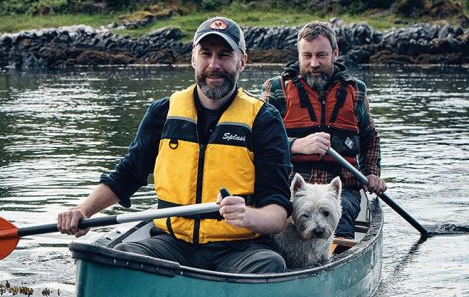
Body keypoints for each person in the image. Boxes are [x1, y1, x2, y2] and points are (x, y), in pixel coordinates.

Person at [58, 16, 293, 273]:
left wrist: (247, 216)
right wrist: (83, 211)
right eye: (206, 54)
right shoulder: (163, 112)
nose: (214, 64)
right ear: (193, 58)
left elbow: (277, 214)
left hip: (238, 250)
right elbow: (126, 176)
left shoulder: (264, 120)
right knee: (114, 256)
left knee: (270, 263)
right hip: (171, 244)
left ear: (242, 62)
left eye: (224, 55)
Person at [260, 20, 387, 242]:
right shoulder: (277, 89)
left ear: (335, 53)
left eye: (321, 55)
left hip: (340, 188)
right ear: (298, 55)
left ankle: (338, 259)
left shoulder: (356, 91)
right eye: (307, 56)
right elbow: (257, 140)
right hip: (290, 186)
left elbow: (369, 138)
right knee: (274, 224)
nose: (314, 63)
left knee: (343, 215)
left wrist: (372, 172)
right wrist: (295, 145)